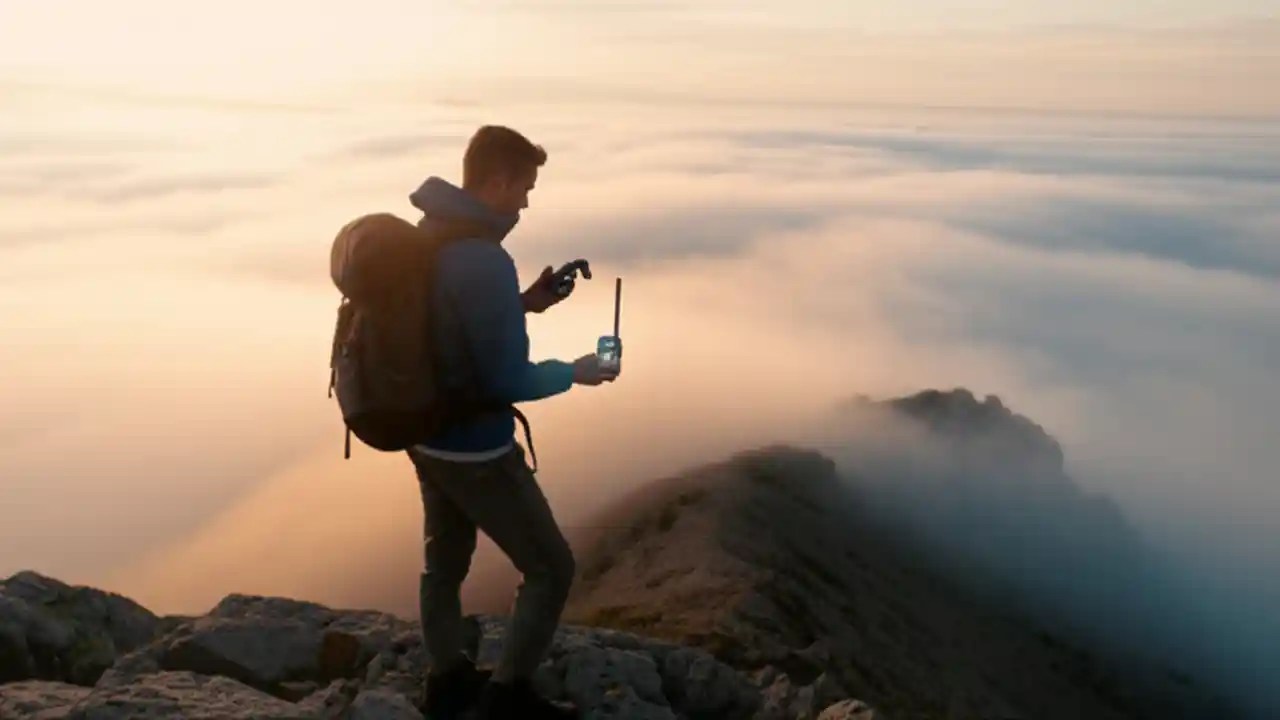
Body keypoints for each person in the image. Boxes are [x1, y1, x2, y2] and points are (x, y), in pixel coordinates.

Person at [406, 125, 617, 720]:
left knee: (443, 563)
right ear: (497, 180)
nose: (525, 201)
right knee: (551, 568)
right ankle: (507, 699)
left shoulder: (433, 235)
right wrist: (575, 371)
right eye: (524, 188)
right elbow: (504, 378)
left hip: (425, 434)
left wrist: (525, 303)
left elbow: (448, 325)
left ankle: (446, 681)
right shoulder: (482, 259)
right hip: (475, 447)